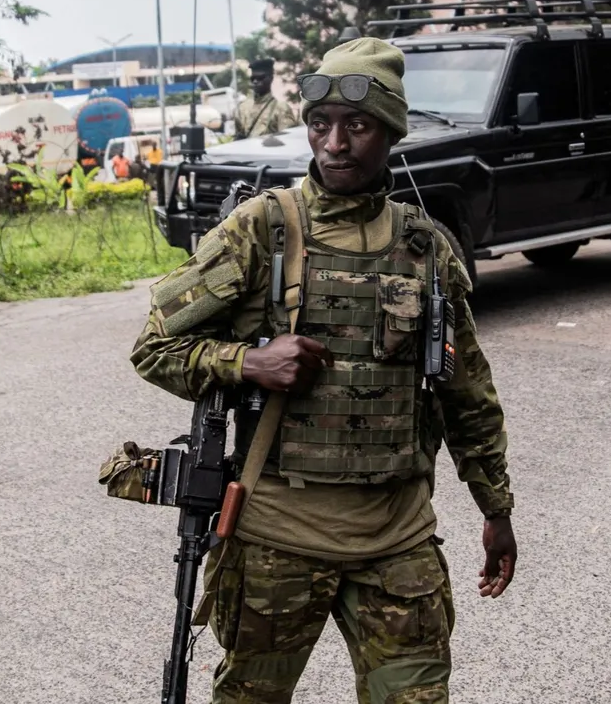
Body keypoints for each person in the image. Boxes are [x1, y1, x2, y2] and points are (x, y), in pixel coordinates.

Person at [132, 37, 516, 703]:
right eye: (320, 123)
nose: (334, 142)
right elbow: (153, 347)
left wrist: (496, 506)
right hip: (277, 540)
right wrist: (246, 361)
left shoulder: (426, 248)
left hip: (397, 541)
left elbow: (467, 392)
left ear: (390, 130)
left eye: (357, 125)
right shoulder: (261, 230)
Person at [231, 57, 298, 139]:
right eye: (253, 78)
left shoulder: (280, 108)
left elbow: (288, 140)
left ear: (271, 78)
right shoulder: (242, 108)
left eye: (260, 78)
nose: (255, 82)